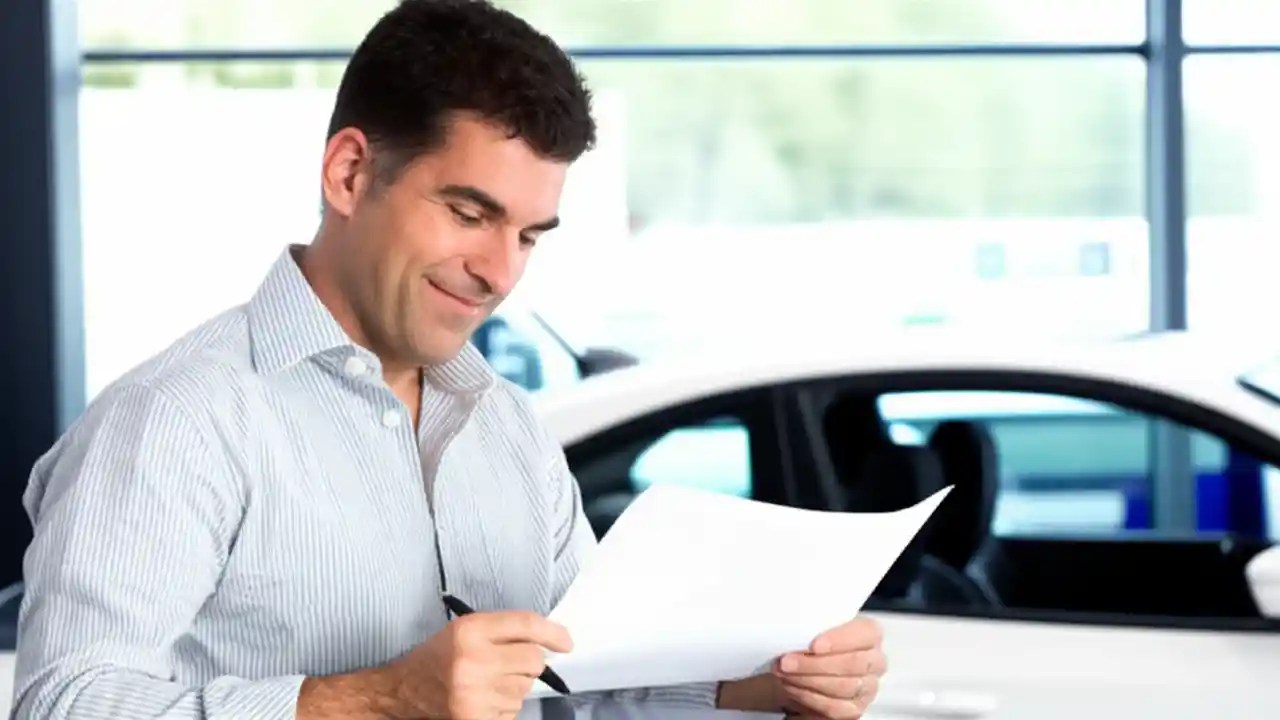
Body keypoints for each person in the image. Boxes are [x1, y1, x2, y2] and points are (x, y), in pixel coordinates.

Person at [12, 1, 887, 718]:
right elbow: (62, 705)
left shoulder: (508, 428)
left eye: (529, 236)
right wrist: (381, 700)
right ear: (350, 174)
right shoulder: (176, 419)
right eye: (470, 215)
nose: (500, 272)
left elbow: (578, 685)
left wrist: (759, 691)